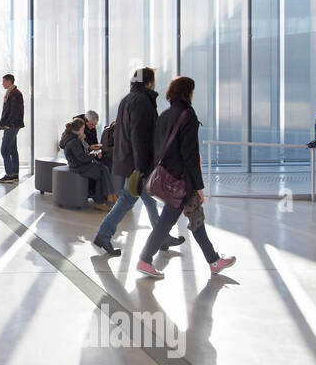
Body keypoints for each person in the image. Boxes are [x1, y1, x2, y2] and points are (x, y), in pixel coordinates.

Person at [136, 77, 235, 279]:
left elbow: (156, 148)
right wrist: (198, 186)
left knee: (193, 216)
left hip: (167, 177)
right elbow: (189, 154)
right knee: (170, 220)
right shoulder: (187, 115)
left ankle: (213, 260)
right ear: (188, 93)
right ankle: (145, 259)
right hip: (181, 180)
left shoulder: (164, 115)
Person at [92, 68, 181, 256]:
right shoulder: (142, 102)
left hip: (129, 159)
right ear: (149, 82)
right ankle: (104, 234)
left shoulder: (127, 100)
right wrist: (142, 167)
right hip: (139, 163)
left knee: (144, 199)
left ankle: (162, 235)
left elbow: (123, 133)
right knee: (129, 198)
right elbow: (139, 136)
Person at [59, 118, 115, 212]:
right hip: (78, 167)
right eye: (83, 128)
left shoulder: (70, 138)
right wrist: (94, 154)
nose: (84, 130)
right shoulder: (74, 141)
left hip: (77, 165)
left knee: (102, 170)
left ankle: (106, 197)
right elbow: (82, 158)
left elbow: (80, 156)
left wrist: (91, 152)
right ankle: (107, 196)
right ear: (79, 129)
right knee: (102, 169)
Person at [0, 74, 24, 183]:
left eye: (4, 81)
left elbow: (14, 111)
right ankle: (15, 174)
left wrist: (7, 123)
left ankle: (9, 175)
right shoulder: (12, 93)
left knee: (4, 150)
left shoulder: (14, 94)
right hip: (12, 124)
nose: (2, 83)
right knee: (12, 149)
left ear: (9, 81)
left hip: (12, 125)